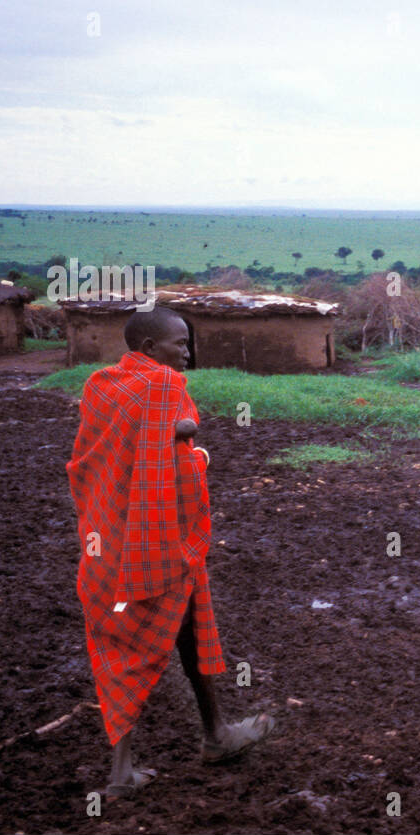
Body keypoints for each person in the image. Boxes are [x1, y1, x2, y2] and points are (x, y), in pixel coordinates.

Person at [66, 306, 273, 797]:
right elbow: (178, 436)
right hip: (157, 541)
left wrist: (177, 437)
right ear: (149, 350)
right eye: (179, 344)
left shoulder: (102, 385)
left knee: (139, 640)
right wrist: (191, 448)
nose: (187, 352)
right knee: (158, 638)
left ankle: (211, 735)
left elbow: (104, 452)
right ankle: (140, 764)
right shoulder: (163, 384)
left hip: (112, 538)